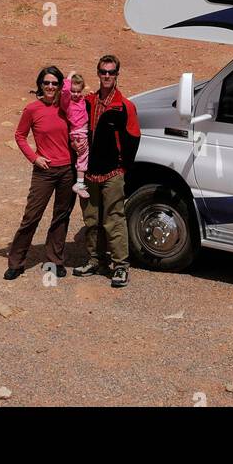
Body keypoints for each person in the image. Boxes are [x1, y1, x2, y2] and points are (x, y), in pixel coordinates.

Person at [73, 54, 141, 288]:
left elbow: (133, 139)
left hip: (113, 172)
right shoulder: (88, 102)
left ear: (117, 75)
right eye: (103, 72)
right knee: (91, 219)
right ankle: (95, 260)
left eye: (111, 72)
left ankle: (120, 265)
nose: (107, 76)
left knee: (114, 219)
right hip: (89, 172)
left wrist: (123, 168)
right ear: (98, 73)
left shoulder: (125, 106)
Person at [4, 65, 75, 280]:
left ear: (60, 86)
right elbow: (19, 135)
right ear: (40, 86)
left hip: (68, 170)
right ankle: (16, 262)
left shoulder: (68, 107)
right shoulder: (32, 109)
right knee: (31, 216)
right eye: (46, 83)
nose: (50, 86)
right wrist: (35, 158)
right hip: (44, 171)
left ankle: (55, 260)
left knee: (61, 217)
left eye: (55, 83)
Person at [60, 71, 90, 198]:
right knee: (83, 157)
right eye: (73, 91)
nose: (76, 94)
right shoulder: (67, 103)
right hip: (78, 133)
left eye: (78, 91)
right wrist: (69, 77)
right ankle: (79, 183)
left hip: (83, 131)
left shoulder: (81, 100)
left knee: (83, 156)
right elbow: (65, 91)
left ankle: (80, 182)